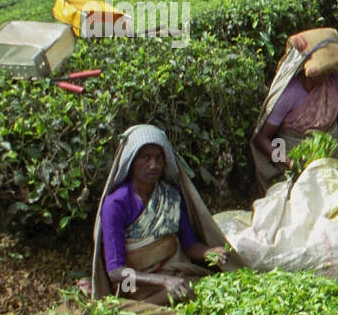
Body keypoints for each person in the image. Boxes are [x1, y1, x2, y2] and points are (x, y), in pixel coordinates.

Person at [92, 125, 236, 304]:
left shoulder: (171, 196)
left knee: (213, 295)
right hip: (136, 286)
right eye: (146, 158)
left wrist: (210, 253)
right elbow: (116, 272)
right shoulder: (116, 204)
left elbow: (189, 245)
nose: (153, 165)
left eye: (158, 158)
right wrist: (163, 281)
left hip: (175, 271)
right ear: (132, 161)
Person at [251, 28, 338, 195]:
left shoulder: (336, 84)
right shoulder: (290, 93)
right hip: (291, 169)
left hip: (328, 166)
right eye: (324, 71)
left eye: (330, 70)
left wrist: (336, 143)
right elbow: (263, 138)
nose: (329, 74)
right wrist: (289, 163)